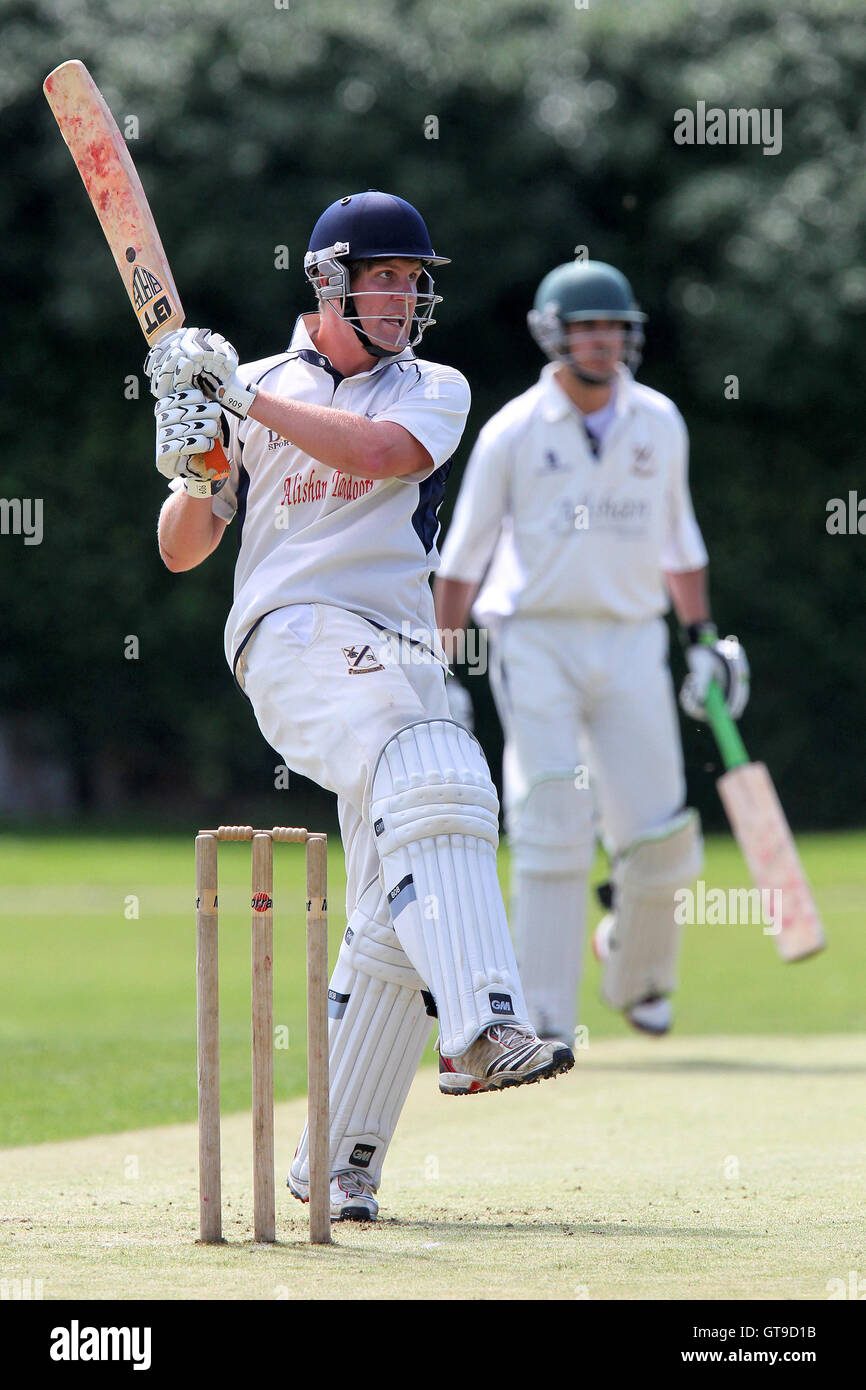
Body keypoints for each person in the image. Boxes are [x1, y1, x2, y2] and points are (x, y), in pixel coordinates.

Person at [146, 192, 574, 1223]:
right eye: (383, 274)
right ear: (326, 280)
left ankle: (335, 1163)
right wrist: (193, 455)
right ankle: (480, 1028)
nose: (403, 294)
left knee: (398, 892)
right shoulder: (246, 381)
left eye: (412, 278)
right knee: (431, 759)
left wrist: (237, 404)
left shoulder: (434, 386)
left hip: (397, 651)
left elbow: (374, 455)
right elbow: (180, 546)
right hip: (291, 633)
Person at [434, 259, 749, 1044]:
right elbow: (463, 561)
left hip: (635, 637)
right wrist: (436, 669)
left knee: (661, 833)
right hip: (535, 638)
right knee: (551, 813)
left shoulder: (660, 422)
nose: (604, 341)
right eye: (588, 327)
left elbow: (681, 543)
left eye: (615, 327)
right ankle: (541, 1017)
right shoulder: (512, 431)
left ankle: (637, 972)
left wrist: (703, 641)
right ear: (556, 335)